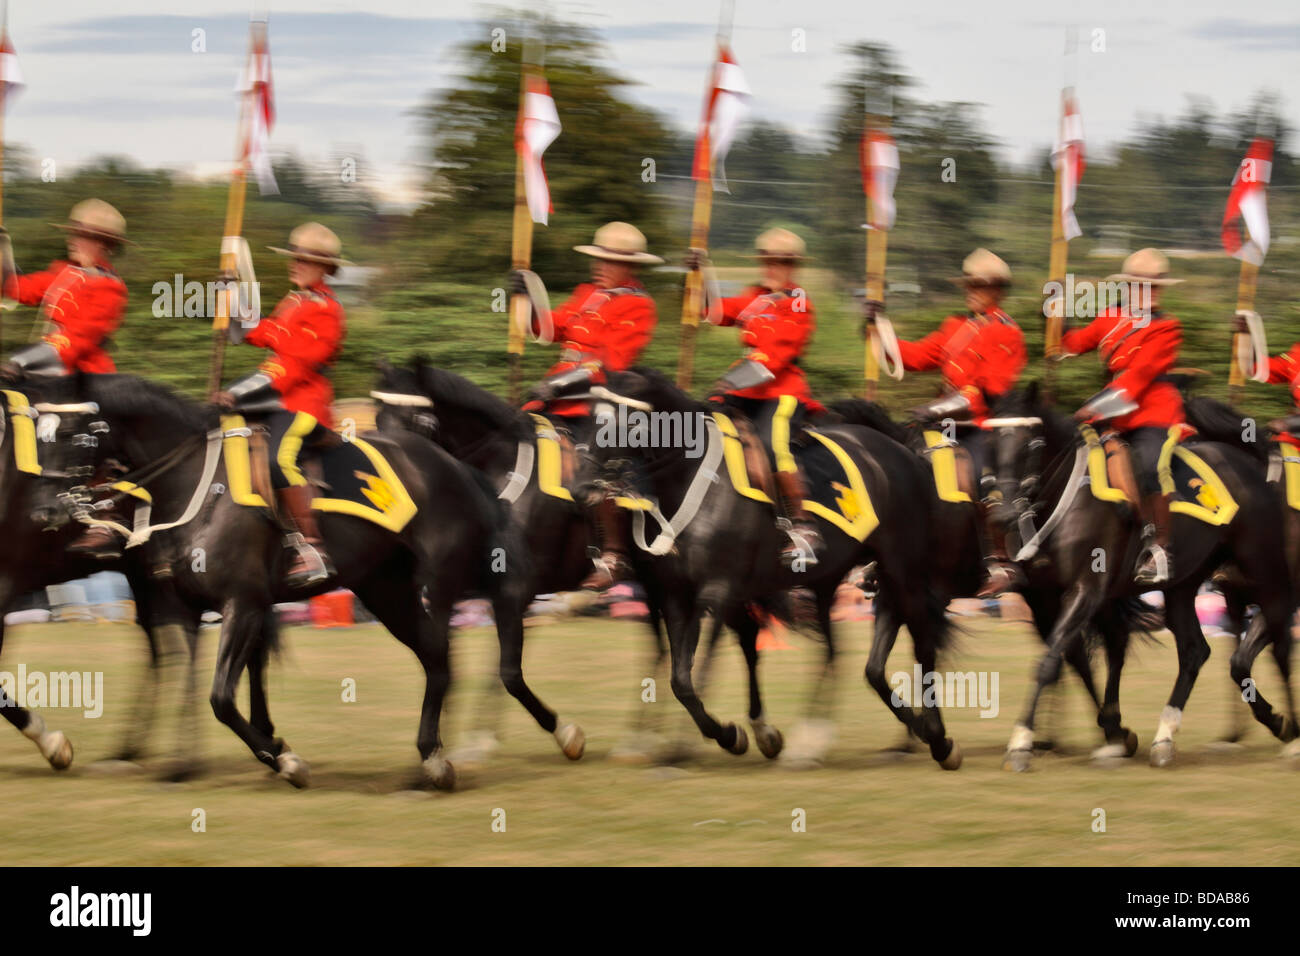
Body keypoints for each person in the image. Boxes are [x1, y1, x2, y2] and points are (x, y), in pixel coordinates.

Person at [512, 221, 660, 590]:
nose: (599, 266)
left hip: (601, 398)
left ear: (631, 267)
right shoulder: (588, 294)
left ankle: (614, 556)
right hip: (558, 395)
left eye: (608, 261)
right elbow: (550, 328)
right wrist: (528, 300)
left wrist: (558, 384)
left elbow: (610, 363)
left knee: (593, 471)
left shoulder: (638, 305)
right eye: (597, 259)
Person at [215, 222, 347, 589]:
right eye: (294, 259)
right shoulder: (295, 301)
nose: (295, 265)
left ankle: (313, 547)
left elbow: (295, 366)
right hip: (276, 395)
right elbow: (266, 332)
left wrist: (242, 389)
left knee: (278, 460)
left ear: (325, 268)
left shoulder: (325, 309)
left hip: (304, 404)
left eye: (304, 261)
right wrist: (232, 301)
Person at [890, 248, 1026, 597]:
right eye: (968, 284)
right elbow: (919, 355)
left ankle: (999, 561)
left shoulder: (1007, 332)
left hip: (979, 425)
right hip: (940, 424)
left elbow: (989, 390)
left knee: (985, 484)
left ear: (997, 290)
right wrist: (881, 330)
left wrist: (937, 409)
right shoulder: (956, 326)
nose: (970, 290)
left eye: (978, 285)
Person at [0, 199, 131, 558]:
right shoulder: (66, 272)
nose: (74, 240)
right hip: (47, 371)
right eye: (74, 233)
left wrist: (23, 359)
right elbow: (17, 289)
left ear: (103, 244)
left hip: (85, 377)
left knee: (83, 438)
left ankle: (105, 516)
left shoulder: (109, 286)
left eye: (83, 235)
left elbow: (75, 341)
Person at [697, 227, 822, 567]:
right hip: (744, 389)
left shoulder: (798, 302)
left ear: (793, 266)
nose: (771, 267)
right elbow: (716, 311)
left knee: (771, 444)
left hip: (781, 390)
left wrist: (729, 380)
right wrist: (698, 278)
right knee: (698, 427)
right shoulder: (756, 296)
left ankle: (802, 527)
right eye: (767, 261)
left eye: (780, 262)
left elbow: (776, 356)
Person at [1060, 247, 1184, 586]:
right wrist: (1058, 320)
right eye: (1136, 285)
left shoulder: (1167, 328)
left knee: (1149, 466)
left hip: (1152, 415)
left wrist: (1095, 408)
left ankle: (1160, 548)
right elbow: (1074, 343)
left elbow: (1138, 378)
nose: (1142, 292)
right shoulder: (1111, 317)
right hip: (1112, 419)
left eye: (1150, 287)